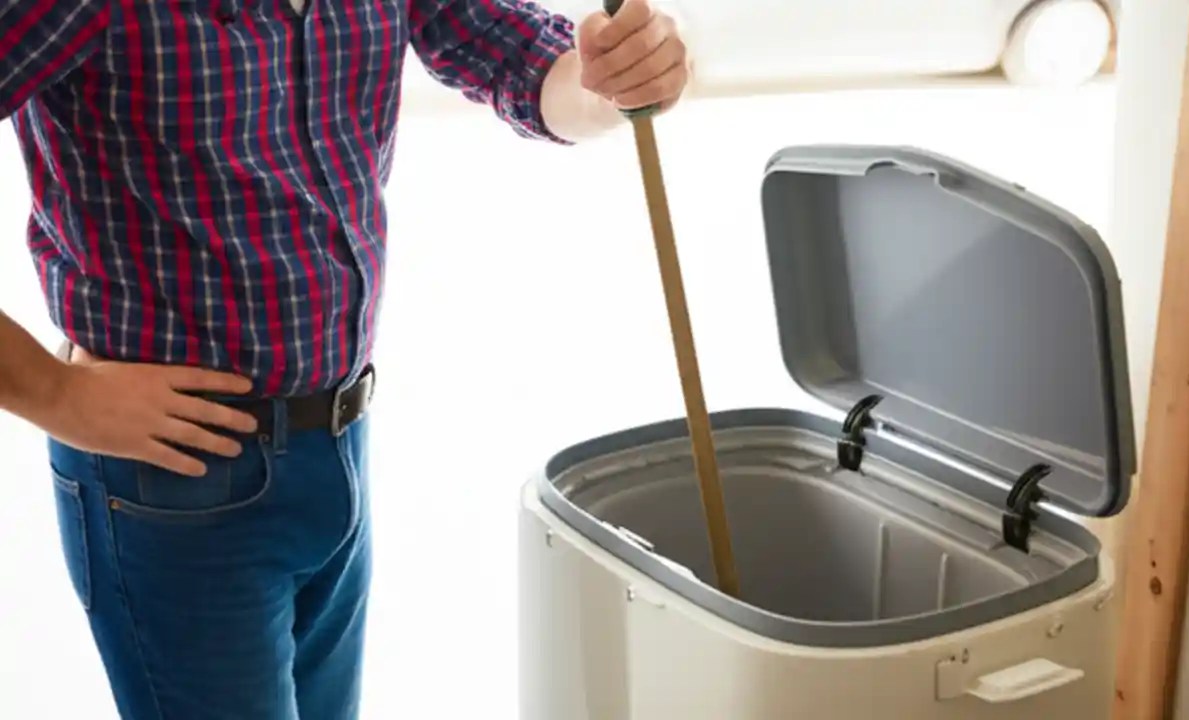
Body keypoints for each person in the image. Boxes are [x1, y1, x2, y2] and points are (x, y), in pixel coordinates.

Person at [0, 0, 689, 716]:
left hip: (336, 446)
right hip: (176, 482)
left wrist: (613, 78)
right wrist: (52, 393)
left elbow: (530, 64)